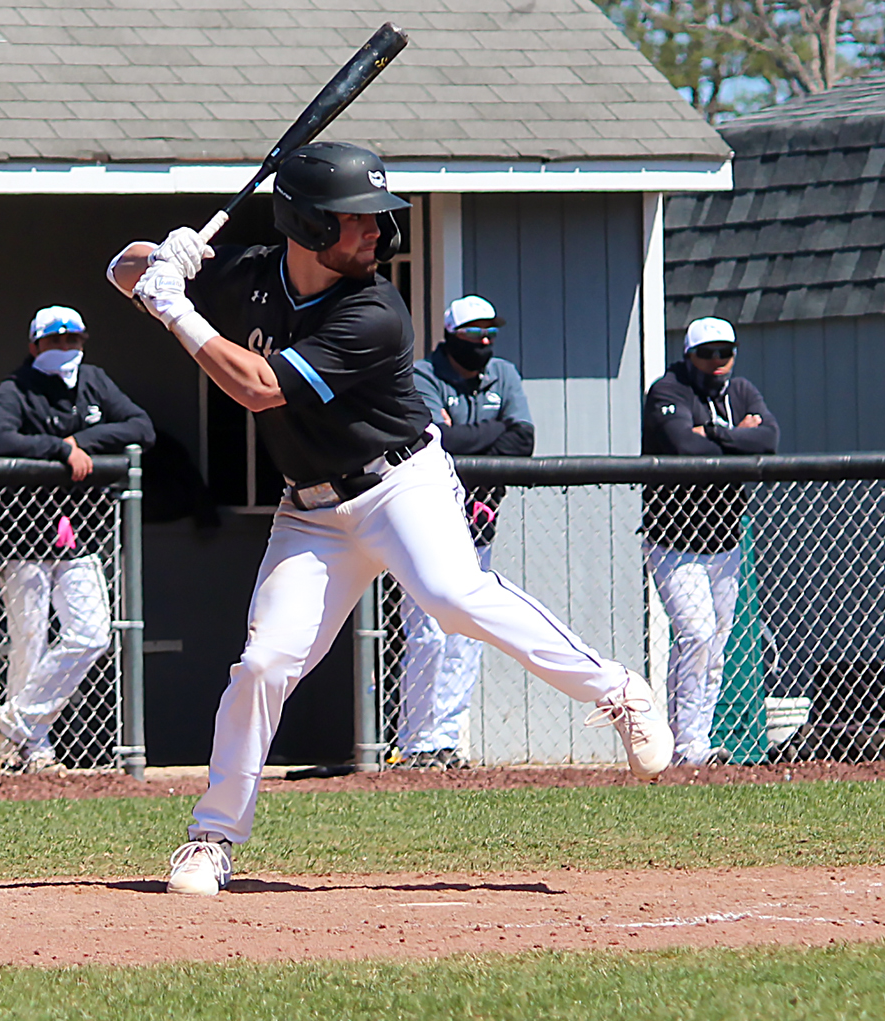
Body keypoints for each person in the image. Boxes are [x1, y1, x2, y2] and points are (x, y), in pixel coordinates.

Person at [109, 142, 669, 896]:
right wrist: (161, 255)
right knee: (264, 665)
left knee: (451, 595)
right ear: (308, 224)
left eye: (379, 217)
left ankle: (618, 690)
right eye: (357, 218)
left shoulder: (374, 311)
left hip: (401, 485)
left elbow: (257, 388)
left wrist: (174, 306)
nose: (377, 230)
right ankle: (211, 839)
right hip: (309, 513)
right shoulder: (249, 274)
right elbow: (120, 270)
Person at [0, 305, 154, 773]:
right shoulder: (17, 387)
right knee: (29, 642)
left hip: (79, 533)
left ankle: (14, 723)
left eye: (72, 340)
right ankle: (33, 748)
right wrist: (57, 450)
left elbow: (141, 427)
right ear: (34, 346)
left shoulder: (94, 381)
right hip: (23, 535)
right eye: (55, 341)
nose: (65, 348)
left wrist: (82, 443)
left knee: (91, 633)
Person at [393, 295, 536, 769]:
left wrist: (469, 436)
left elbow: (523, 439)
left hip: (479, 525)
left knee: (466, 635)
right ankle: (417, 742)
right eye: (475, 333)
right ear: (452, 336)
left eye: (491, 333)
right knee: (428, 634)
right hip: (426, 526)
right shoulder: (423, 375)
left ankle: (446, 739)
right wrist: (494, 430)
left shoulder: (504, 374)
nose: (485, 342)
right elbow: (438, 441)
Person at [642, 316, 779, 766]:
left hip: (725, 540)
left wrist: (716, 433)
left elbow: (769, 439)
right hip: (673, 541)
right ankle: (684, 745)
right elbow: (685, 446)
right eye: (707, 354)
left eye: (725, 352)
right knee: (696, 635)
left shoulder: (741, 390)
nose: (717, 361)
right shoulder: (668, 390)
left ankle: (695, 743)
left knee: (716, 644)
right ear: (689, 356)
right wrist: (739, 436)